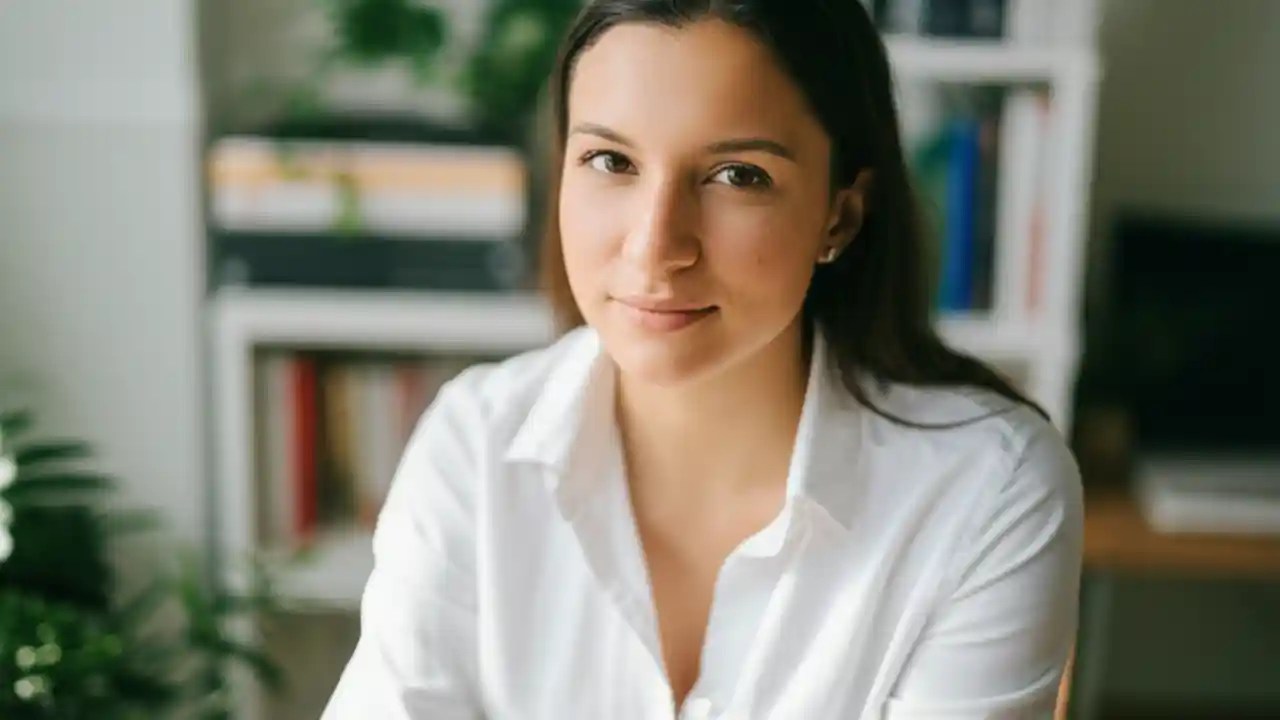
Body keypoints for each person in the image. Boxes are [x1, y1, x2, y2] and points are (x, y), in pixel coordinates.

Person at [322, 1, 1083, 718]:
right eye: (611, 161)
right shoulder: (476, 442)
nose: (655, 248)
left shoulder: (988, 491)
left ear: (839, 215)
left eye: (738, 176)